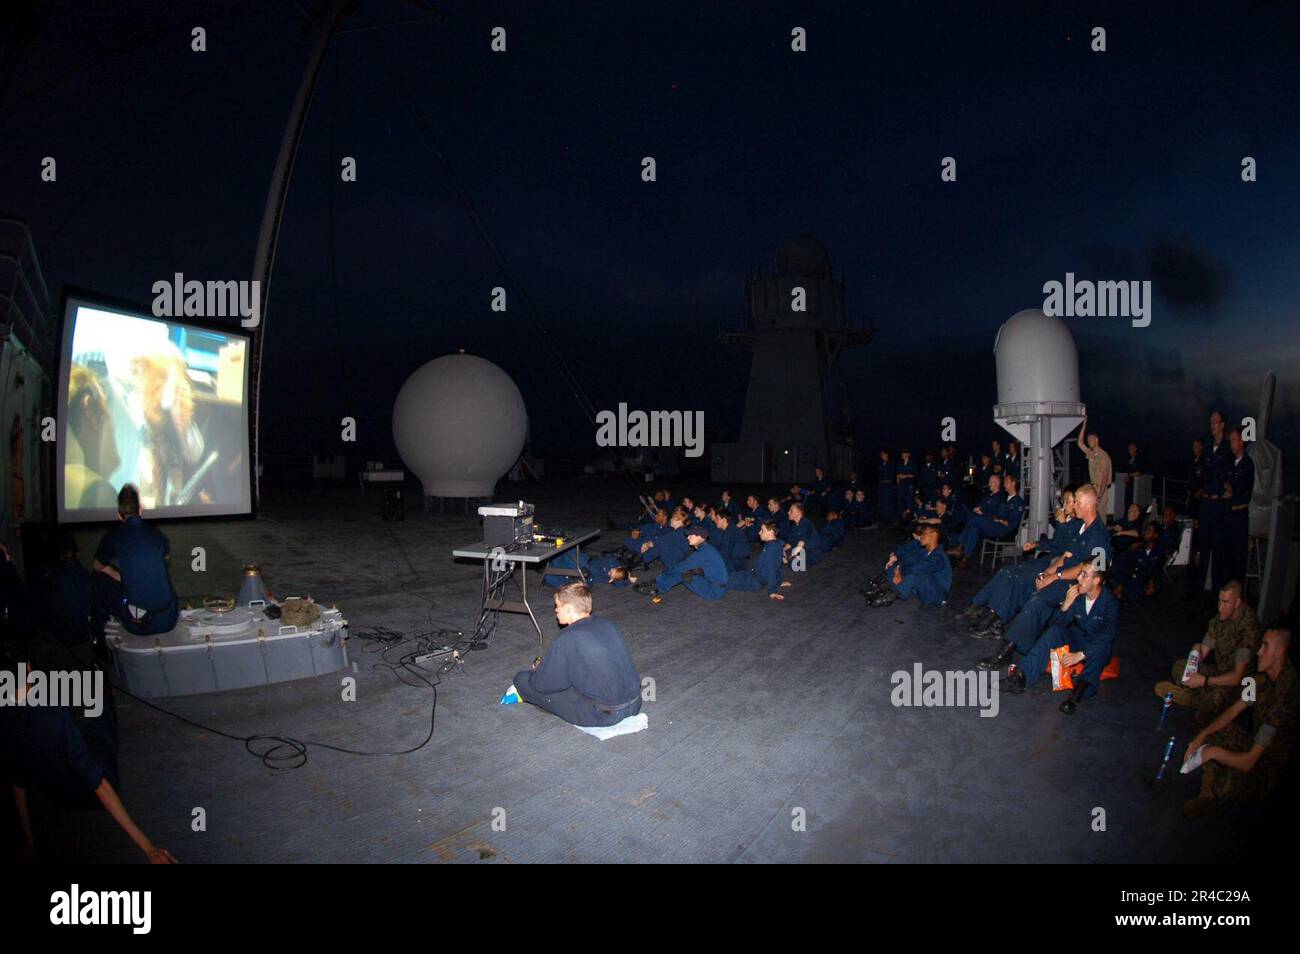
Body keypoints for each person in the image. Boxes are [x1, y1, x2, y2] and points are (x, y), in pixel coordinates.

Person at [0, 635, 176, 863]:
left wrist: (28, 841)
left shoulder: (5, 718)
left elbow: (17, 780)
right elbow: (98, 784)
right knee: (98, 711)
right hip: (86, 792)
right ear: (29, 669)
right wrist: (148, 847)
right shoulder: (51, 715)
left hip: (53, 794)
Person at [965, 484, 1112, 643]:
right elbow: (1066, 555)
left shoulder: (1099, 535)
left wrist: (1056, 576)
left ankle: (1010, 645)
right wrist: (1047, 573)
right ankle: (996, 623)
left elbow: (1095, 572)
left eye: (1077, 502)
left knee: (1038, 599)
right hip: (1062, 572)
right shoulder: (1083, 528)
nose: (1074, 506)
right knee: (1022, 581)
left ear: (1089, 505)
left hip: (1077, 583)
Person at [1181, 624, 1297, 820]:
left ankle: (1214, 793)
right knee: (1212, 726)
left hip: (1268, 765)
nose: (1259, 652)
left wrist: (1212, 752)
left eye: (1265, 646)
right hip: (1255, 743)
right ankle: (1206, 791)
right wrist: (1202, 736)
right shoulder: (1261, 678)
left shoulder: (1287, 696)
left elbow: (1249, 762)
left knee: (1225, 784)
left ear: (1280, 651)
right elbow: (1233, 711)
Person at [989, 563, 1118, 715]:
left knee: (1101, 651)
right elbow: (1057, 624)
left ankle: (1076, 695)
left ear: (1096, 580)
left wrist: (1082, 654)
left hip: (1096, 645)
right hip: (1079, 638)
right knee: (1055, 632)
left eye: (1084, 575)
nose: (1078, 578)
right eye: (1079, 574)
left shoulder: (1109, 602)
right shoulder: (1077, 596)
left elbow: (1108, 634)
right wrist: (1066, 606)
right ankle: (1021, 676)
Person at [512, 582, 641, 728]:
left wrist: (538, 671)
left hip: (603, 714)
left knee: (523, 679)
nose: (555, 610)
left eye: (557, 606)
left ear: (568, 609)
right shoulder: (607, 624)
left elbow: (543, 685)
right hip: (635, 703)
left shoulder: (568, 637)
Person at [1154, 580, 1262, 720]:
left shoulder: (1248, 628)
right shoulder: (1222, 617)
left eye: (1225, 602)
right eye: (1219, 601)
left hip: (1240, 685)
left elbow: (1236, 677)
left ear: (1237, 603)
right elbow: (1204, 648)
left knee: (1216, 698)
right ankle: (1198, 695)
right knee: (1179, 666)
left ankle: (1191, 698)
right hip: (1219, 672)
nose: (1220, 607)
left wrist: (1203, 681)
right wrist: (1196, 655)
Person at [91, 484, 179, 636]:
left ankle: (98, 631)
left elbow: (97, 566)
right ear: (141, 510)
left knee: (100, 580)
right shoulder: (156, 535)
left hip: (139, 625)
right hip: (169, 618)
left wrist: (117, 574)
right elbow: (166, 559)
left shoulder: (113, 537)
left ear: (119, 514)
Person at [1188, 410, 1232, 599]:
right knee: (1201, 546)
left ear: (1222, 424)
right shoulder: (1208, 449)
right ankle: (1198, 590)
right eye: (1211, 422)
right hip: (1205, 504)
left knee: (1217, 551)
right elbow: (1204, 474)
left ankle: (1215, 595)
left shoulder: (1227, 449)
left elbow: (1223, 474)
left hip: (1218, 506)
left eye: (1215, 422)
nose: (1212, 425)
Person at [865, 525, 951, 607]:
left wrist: (899, 572)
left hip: (936, 595)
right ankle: (883, 588)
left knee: (916, 572)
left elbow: (917, 569)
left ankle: (889, 596)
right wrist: (895, 563)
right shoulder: (925, 551)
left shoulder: (939, 557)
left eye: (924, 534)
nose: (921, 536)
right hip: (923, 589)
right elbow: (905, 556)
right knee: (902, 560)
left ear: (934, 535)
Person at [638, 524, 728, 601]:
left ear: (699, 537)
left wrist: (664, 573)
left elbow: (680, 568)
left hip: (713, 590)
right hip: (715, 585)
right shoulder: (707, 548)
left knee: (681, 573)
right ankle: (658, 584)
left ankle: (657, 588)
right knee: (684, 571)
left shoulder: (703, 553)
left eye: (691, 535)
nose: (688, 537)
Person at [1220, 426, 1255, 585]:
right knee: (1226, 555)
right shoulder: (1229, 464)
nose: (1231, 443)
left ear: (1242, 441)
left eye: (1234, 440)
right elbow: (1223, 485)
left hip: (1240, 516)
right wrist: (1228, 488)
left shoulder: (1247, 464)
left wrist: (1231, 488)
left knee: (1238, 558)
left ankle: (1237, 600)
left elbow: (1237, 487)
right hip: (1227, 514)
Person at [726, 521, 791, 600]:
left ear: (770, 532)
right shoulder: (774, 544)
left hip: (753, 582)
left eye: (762, 530)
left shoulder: (772, 548)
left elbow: (772, 569)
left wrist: (772, 591)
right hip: (752, 575)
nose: (759, 532)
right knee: (728, 575)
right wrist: (779, 582)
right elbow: (778, 565)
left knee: (723, 580)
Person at [1076, 416, 1113, 511]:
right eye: (1088, 440)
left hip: (1101, 489)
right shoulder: (1091, 453)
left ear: (1096, 440)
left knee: (1100, 516)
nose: (1089, 442)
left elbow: (1105, 477)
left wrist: (1099, 497)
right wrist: (1084, 425)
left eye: (1091, 440)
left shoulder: (1104, 456)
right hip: (1093, 488)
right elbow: (1080, 443)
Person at [782, 502, 825, 567]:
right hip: (801, 551)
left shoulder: (805, 524)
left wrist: (790, 556)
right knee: (779, 550)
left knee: (793, 563)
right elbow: (790, 543)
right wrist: (782, 550)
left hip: (811, 553)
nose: (788, 512)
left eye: (791, 511)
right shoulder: (795, 525)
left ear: (798, 513)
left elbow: (800, 544)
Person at [875, 449, 896, 525]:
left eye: (882, 455)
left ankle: (888, 518)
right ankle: (882, 518)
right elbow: (878, 474)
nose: (881, 456)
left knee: (887, 501)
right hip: (881, 485)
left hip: (887, 485)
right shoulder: (880, 464)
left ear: (886, 455)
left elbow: (891, 475)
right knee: (881, 501)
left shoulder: (890, 464)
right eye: (881, 455)